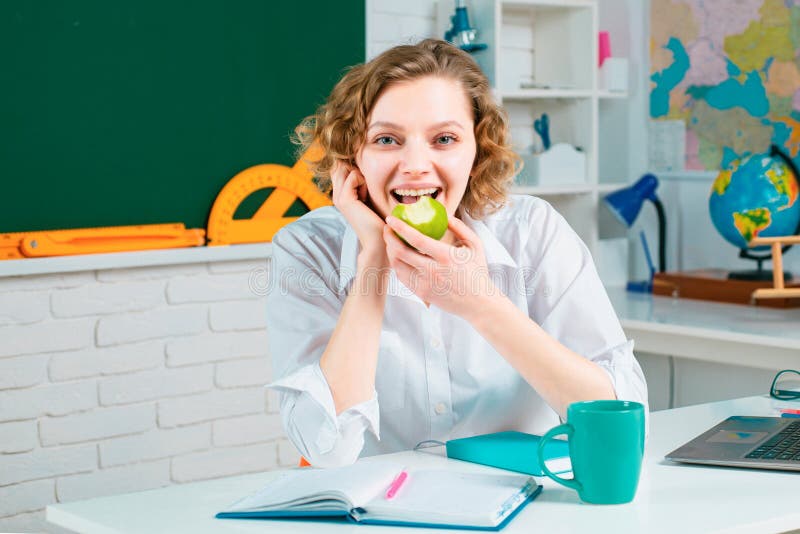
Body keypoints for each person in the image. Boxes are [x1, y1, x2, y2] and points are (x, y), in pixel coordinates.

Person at [267, 39, 648, 468]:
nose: (414, 165)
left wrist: (481, 304)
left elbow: (621, 417)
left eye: (444, 138)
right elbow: (327, 449)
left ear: (477, 150)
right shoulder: (306, 249)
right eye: (387, 139)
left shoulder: (533, 232)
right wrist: (373, 257)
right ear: (353, 155)